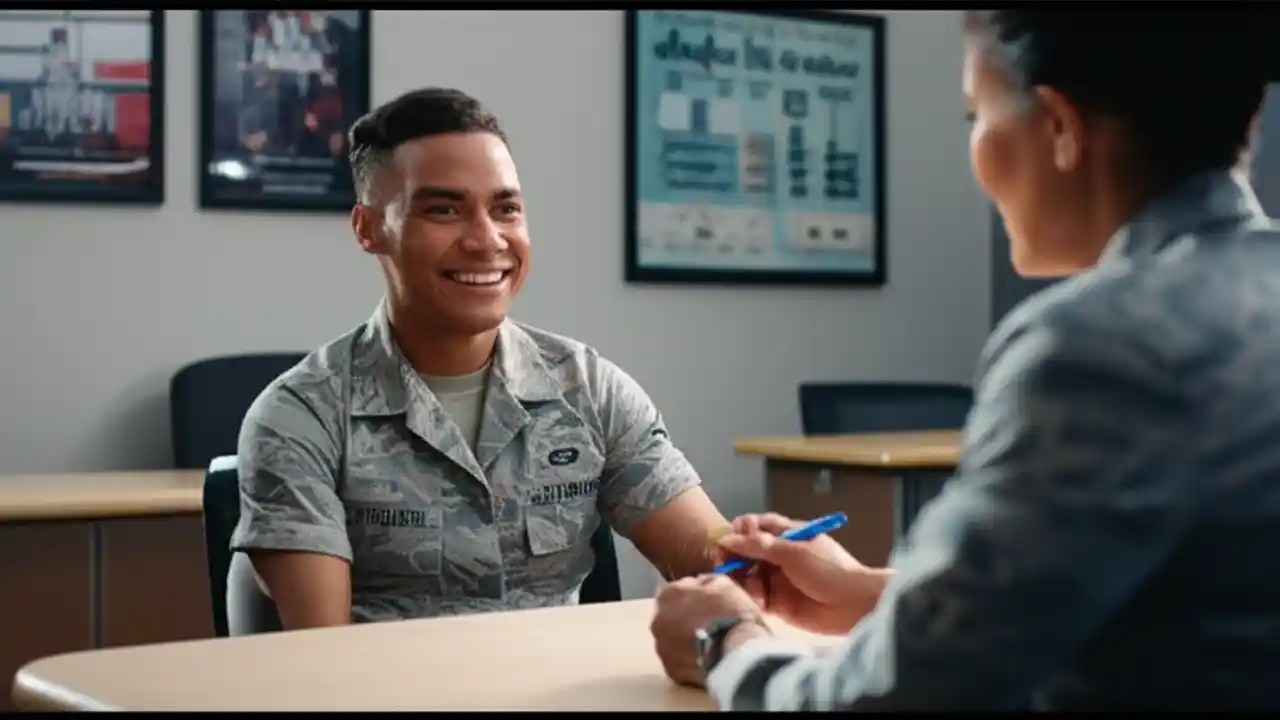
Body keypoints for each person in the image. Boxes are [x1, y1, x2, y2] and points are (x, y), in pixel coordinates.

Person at [650, 10, 1279, 711]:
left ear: (1059, 128)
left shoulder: (1095, 349)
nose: (975, 150)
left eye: (976, 113)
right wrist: (875, 596)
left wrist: (726, 640)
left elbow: (891, 702)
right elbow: (1185, 605)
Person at [232, 87, 729, 628]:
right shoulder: (301, 416)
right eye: (444, 210)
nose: (487, 240)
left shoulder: (588, 390)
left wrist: (755, 555)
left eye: (506, 209)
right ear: (368, 229)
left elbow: (712, 559)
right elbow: (320, 657)